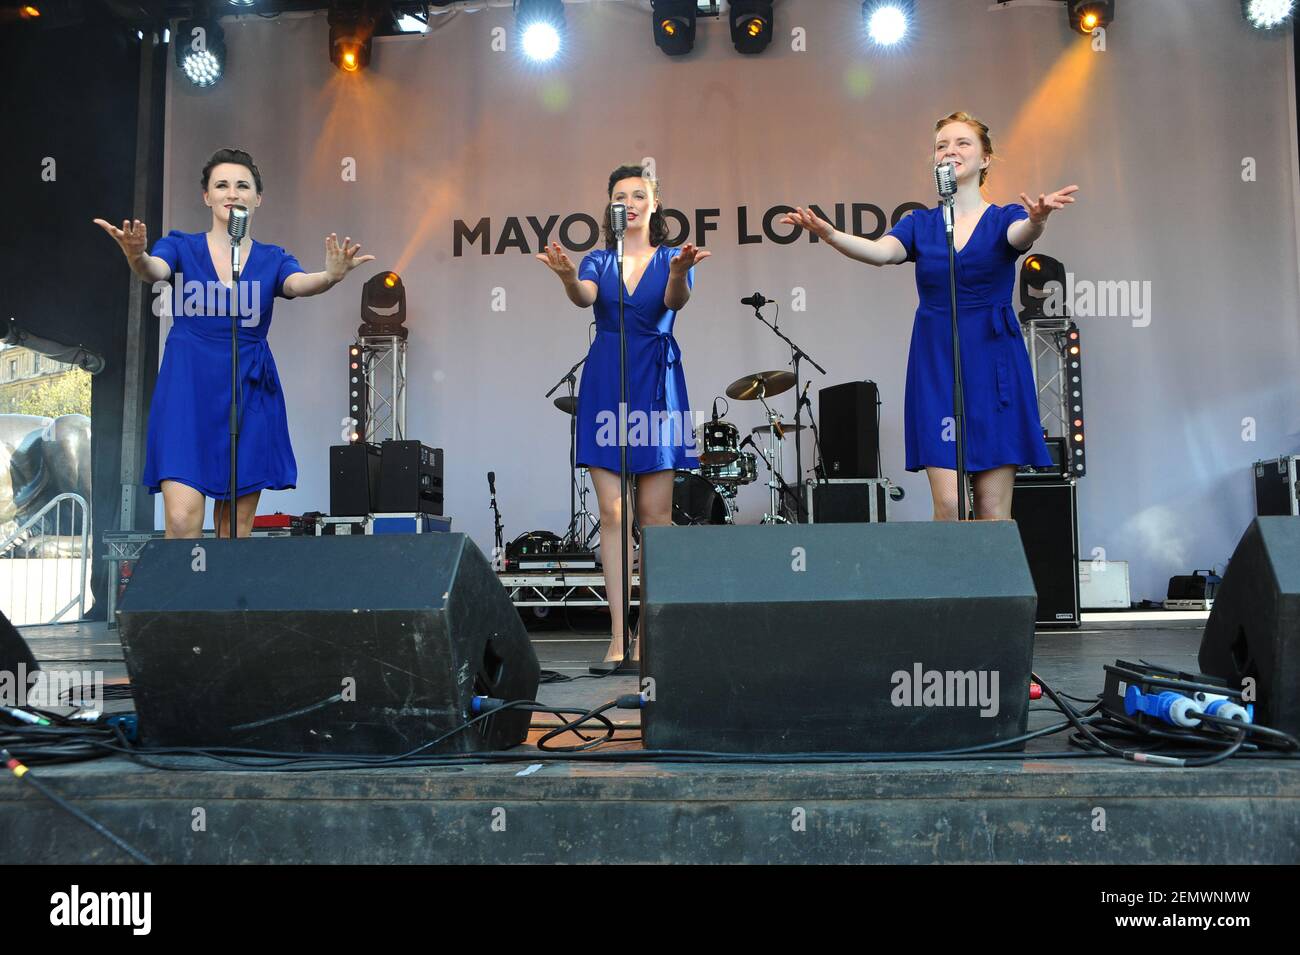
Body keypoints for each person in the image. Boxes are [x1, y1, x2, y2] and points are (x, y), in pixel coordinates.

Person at [783, 111, 1077, 520]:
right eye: (942, 145)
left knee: (993, 507)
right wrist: (831, 235)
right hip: (938, 361)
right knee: (951, 504)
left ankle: (996, 586)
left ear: (985, 158)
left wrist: (1037, 219)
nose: (950, 151)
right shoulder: (920, 223)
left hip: (994, 362)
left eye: (962, 143)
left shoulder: (1004, 216)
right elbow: (881, 252)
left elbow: (1020, 236)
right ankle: (954, 584)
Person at [94, 147, 374, 539]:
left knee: (234, 529)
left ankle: (222, 600)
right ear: (206, 196)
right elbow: (153, 270)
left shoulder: (272, 258)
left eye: (242, 185)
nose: (232, 193)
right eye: (221, 185)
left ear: (257, 198)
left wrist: (330, 276)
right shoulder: (181, 246)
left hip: (249, 388)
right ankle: (183, 599)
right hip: (188, 389)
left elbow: (298, 283)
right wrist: (136, 255)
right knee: (181, 519)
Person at [536, 163, 709, 662]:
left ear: (654, 205)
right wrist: (569, 277)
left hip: (656, 379)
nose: (629, 202)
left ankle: (654, 631)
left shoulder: (675, 257)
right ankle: (617, 635)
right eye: (620, 196)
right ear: (610, 207)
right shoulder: (597, 260)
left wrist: (678, 274)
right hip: (607, 379)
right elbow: (583, 297)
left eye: (639, 194)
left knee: (654, 517)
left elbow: (677, 299)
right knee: (612, 513)